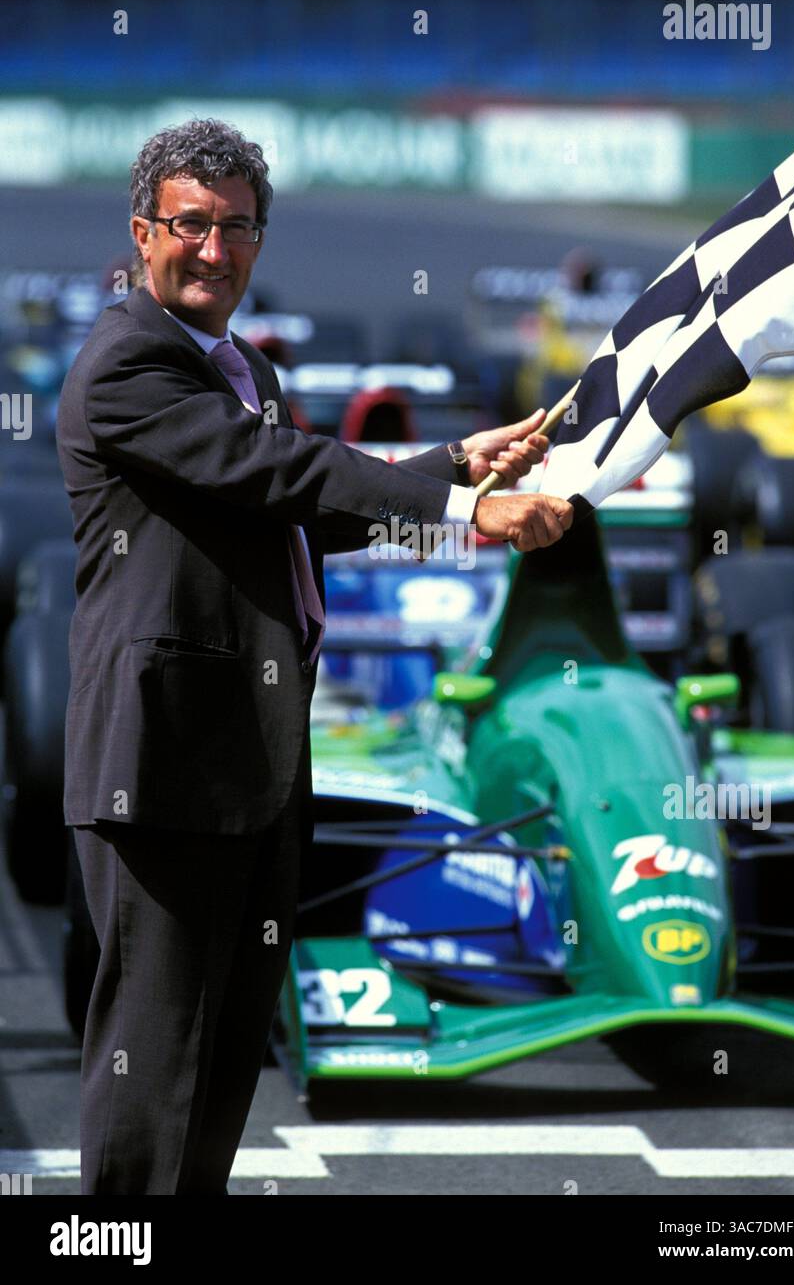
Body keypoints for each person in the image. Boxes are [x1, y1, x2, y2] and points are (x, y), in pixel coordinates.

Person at [55, 117, 574, 1196]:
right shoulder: (127, 364)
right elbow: (271, 473)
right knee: (155, 1066)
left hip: (244, 768)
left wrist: (447, 461)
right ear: (143, 233)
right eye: (191, 225)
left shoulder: (239, 368)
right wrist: (466, 507)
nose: (214, 248)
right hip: (160, 769)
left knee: (224, 1056)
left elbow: (293, 508)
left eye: (237, 227)